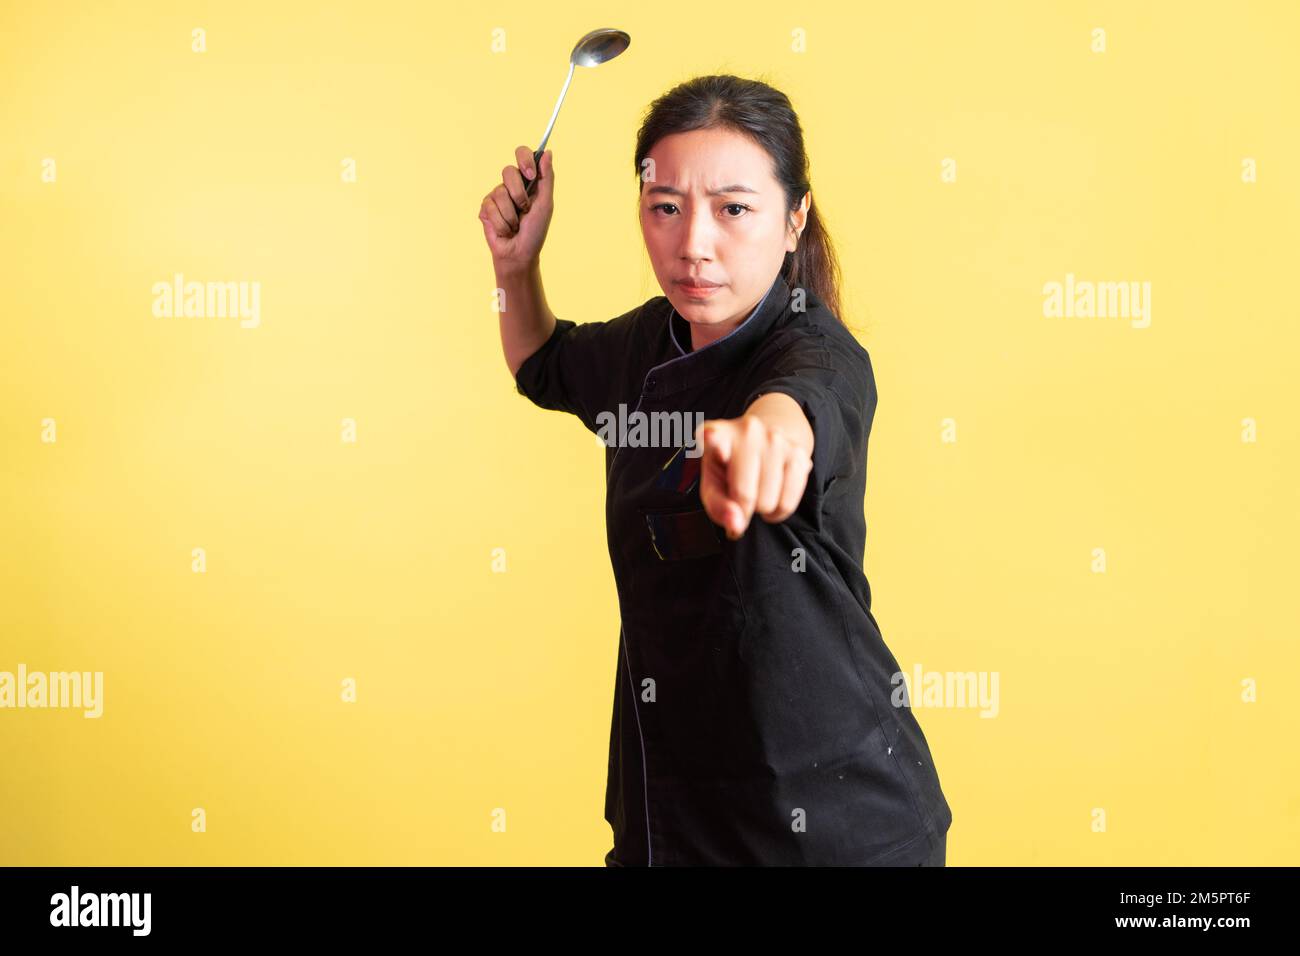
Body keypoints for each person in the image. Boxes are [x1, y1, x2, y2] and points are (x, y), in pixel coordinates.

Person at [479, 74, 952, 866]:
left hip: (831, 823)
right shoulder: (646, 345)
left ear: (794, 218)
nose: (694, 243)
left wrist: (767, 437)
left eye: (734, 209)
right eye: (666, 206)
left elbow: (802, 408)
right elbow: (543, 364)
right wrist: (514, 267)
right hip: (670, 810)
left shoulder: (818, 354)